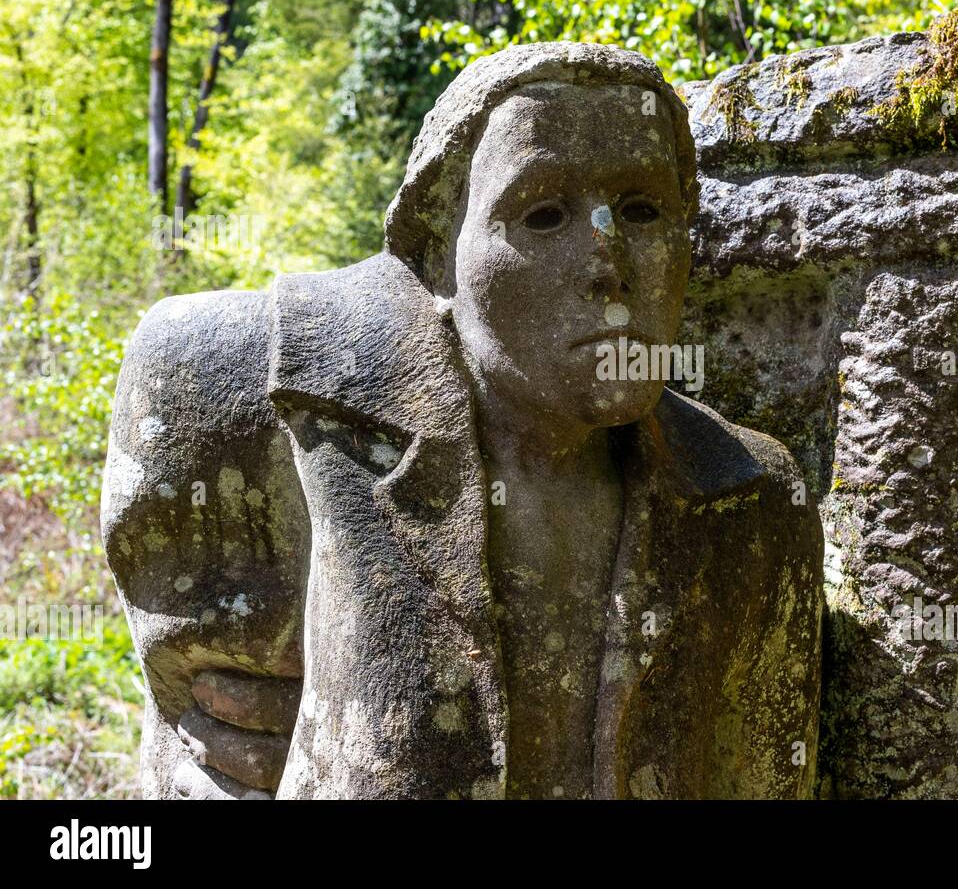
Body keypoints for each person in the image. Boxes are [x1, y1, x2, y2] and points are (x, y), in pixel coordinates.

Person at [102, 42, 823, 799]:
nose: (609, 261)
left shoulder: (754, 499)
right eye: (543, 215)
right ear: (437, 252)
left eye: (645, 210)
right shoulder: (259, 395)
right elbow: (198, 740)